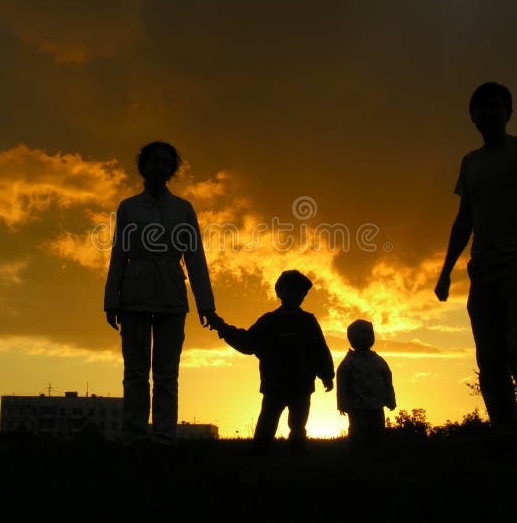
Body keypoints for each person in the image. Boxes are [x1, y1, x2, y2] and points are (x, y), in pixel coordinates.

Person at [434, 82, 517, 452]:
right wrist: (446, 271)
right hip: (482, 270)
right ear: (472, 116)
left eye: (495, 106)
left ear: (508, 112)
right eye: (481, 107)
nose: (487, 113)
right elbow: (463, 220)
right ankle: (505, 431)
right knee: (489, 356)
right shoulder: (470, 162)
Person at [104, 141, 221, 449]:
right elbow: (118, 254)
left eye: (165, 162)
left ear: (172, 169)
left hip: (171, 294)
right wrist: (111, 300)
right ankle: (134, 435)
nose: (159, 167)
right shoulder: (128, 207)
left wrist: (206, 305)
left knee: (167, 373)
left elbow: (195, 257)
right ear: (143, 166)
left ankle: (164, 437)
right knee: (135, 371)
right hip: (134, 294)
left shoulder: (183, 209)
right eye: (154, 161)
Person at [210, 270, 335, 455]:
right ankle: (261, 458)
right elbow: (248, 343)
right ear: (279, 292)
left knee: (297, 426)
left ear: (303, 296)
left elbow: (319, 349)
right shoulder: (269, 321)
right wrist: (223, 328)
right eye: (290, 290)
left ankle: (297, 459)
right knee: (267, 424)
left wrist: (326, 375)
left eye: (299, 292)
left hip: (300, 386)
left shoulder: (308, 321)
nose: (294, 295)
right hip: (275, 386)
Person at [336, 319, 396, 462]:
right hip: (357, 407)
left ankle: (374, 460)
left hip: (377, 406)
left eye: (369, 333)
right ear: (353, 338)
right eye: (362, 334)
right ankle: (356, 460)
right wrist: (342, 403)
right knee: (358, 436)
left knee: (377, 435)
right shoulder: (349, 362)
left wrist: (390, 398)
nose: (367, 337)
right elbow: (342, 384)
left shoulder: (378, 360)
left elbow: (388, 380)